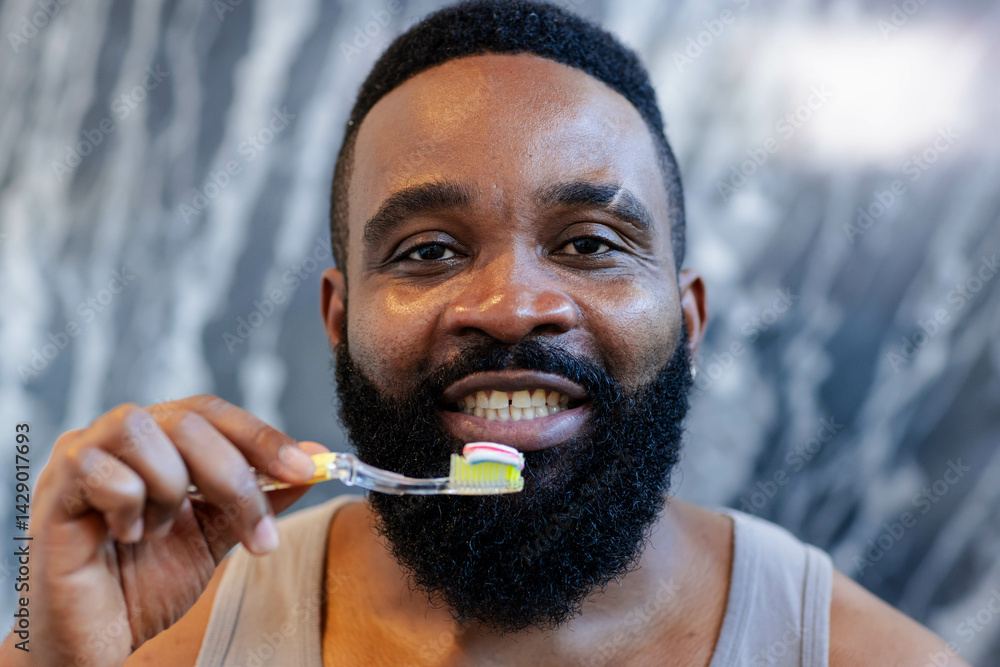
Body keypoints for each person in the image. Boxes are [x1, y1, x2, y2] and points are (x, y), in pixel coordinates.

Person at [2, 1, 968, 665]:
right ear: (339, 321)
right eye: (427, 251)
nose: (510, 306)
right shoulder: (161, 636)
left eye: (589, 242)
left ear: (687, 315)